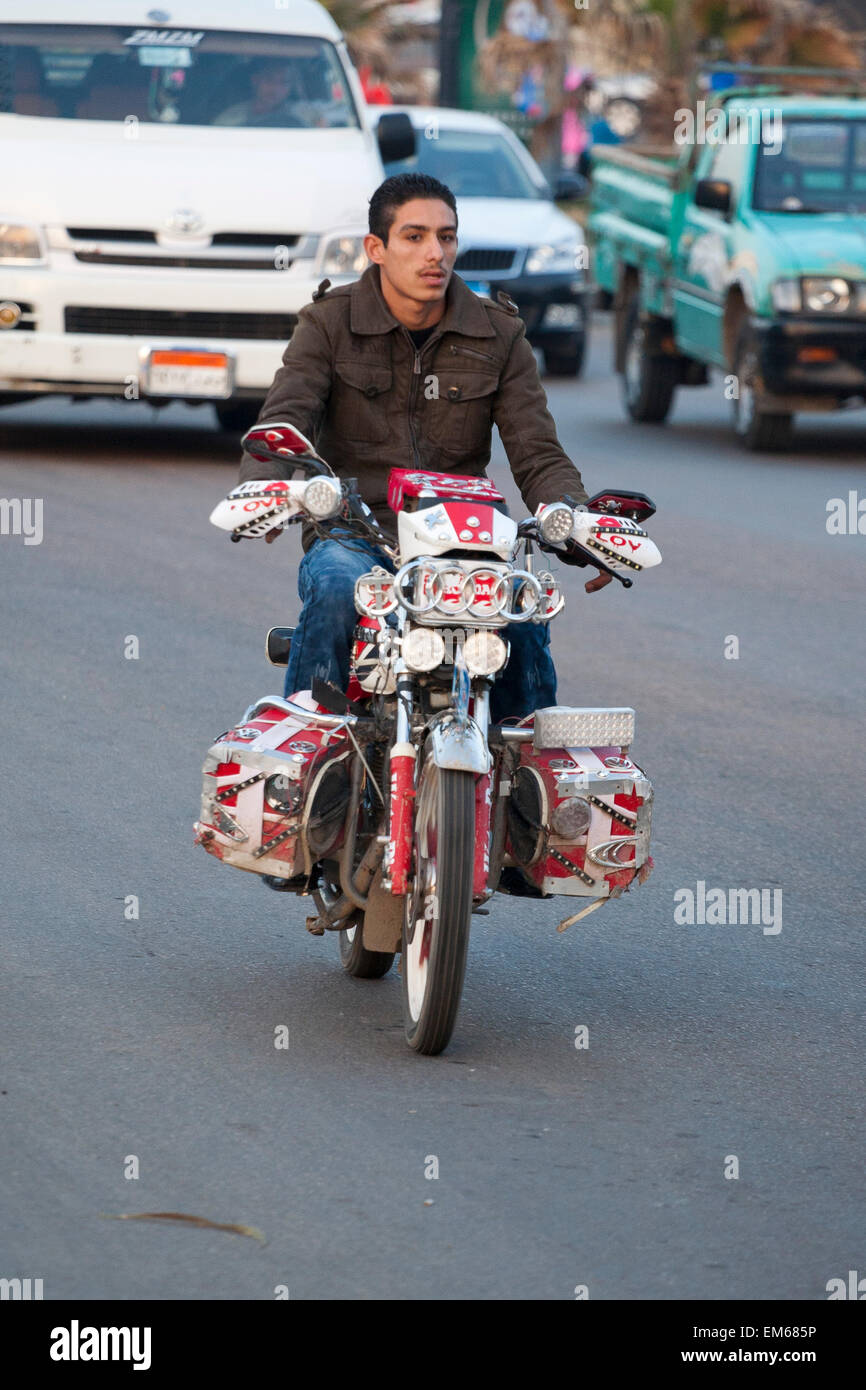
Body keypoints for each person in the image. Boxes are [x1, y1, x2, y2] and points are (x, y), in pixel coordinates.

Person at [237, 171, 611, 723]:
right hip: (357, 535)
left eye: (447, 236)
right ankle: (307, 759)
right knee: (338, 591)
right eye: (414, 236)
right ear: (377, 248)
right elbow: (285, 419)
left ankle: (532, 788)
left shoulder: (499, 334)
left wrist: (577, 523)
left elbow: (538, 453)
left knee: (523, 615)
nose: (435, 253)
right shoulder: (328, 324)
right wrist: (267, 488)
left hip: (467, 544)